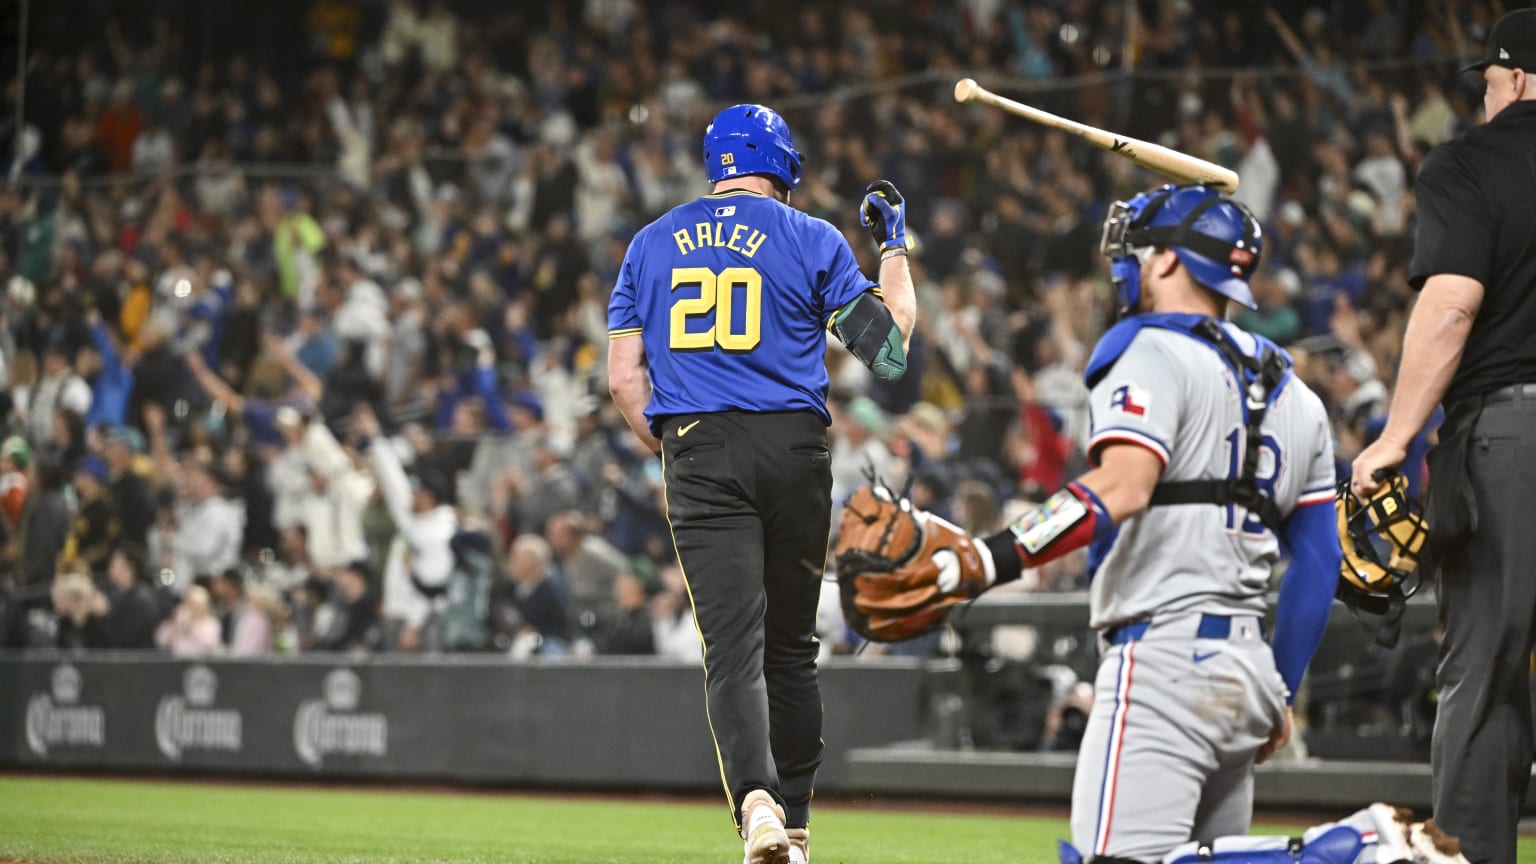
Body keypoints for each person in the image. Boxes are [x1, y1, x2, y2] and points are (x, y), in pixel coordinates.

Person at [864, 184, 1459, 863]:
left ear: (1172, 263)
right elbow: (1320, 563)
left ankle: (1349, 851)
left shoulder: (1150, 351)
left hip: (1164, 660)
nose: (1129, 267)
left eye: (1142, 255)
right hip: (1248, 667)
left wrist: (985, 558)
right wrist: (1280, 688)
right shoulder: (1299, 395)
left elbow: (1122, 485)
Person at [607, 103, 917, 864]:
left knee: (733, 650)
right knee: (790, 649)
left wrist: (679, 449)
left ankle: (757, 810)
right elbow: (889, 353)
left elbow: (622, 379)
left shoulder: (648, 245)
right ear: (784, 166)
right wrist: (895, 247)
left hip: (698, 444)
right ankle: (799, 825)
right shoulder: (810, 236)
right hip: (793, 448)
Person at [1351, 10, 1536, 863]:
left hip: (1514, 434)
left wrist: (1396, 435)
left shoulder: (1474, 161)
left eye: (1492, 78)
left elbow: (1452, 300)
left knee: (1487, 672)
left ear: (1522, 78)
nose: (1487, 94)